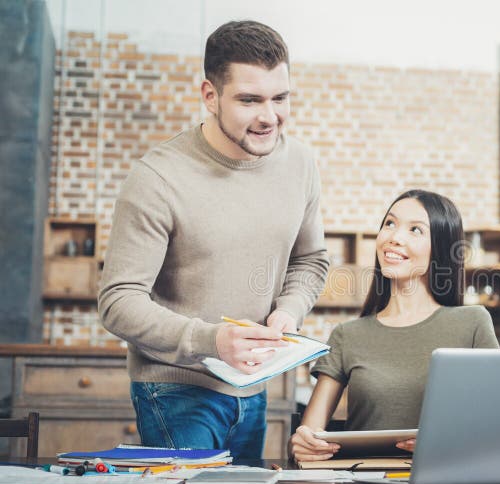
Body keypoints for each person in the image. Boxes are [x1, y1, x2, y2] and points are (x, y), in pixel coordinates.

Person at [98, 21, 329, 459]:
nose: (269, 116)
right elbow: (118, 301)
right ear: (210, 95)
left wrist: (288, 312)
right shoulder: (158, 177)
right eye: (249, 100)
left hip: (255, 389)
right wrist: (211, 342)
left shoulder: (300, 163)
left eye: (280, 98)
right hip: (176, 391)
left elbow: (311, 260)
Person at [290, 190, 500, 461]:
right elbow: (308, 435)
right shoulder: (347, 336)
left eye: (415, 230)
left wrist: (450, 442)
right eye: (390, 223)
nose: (394, 237)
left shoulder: (472, 323)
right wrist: (302, 444)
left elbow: (499, 422)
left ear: (441, 247)